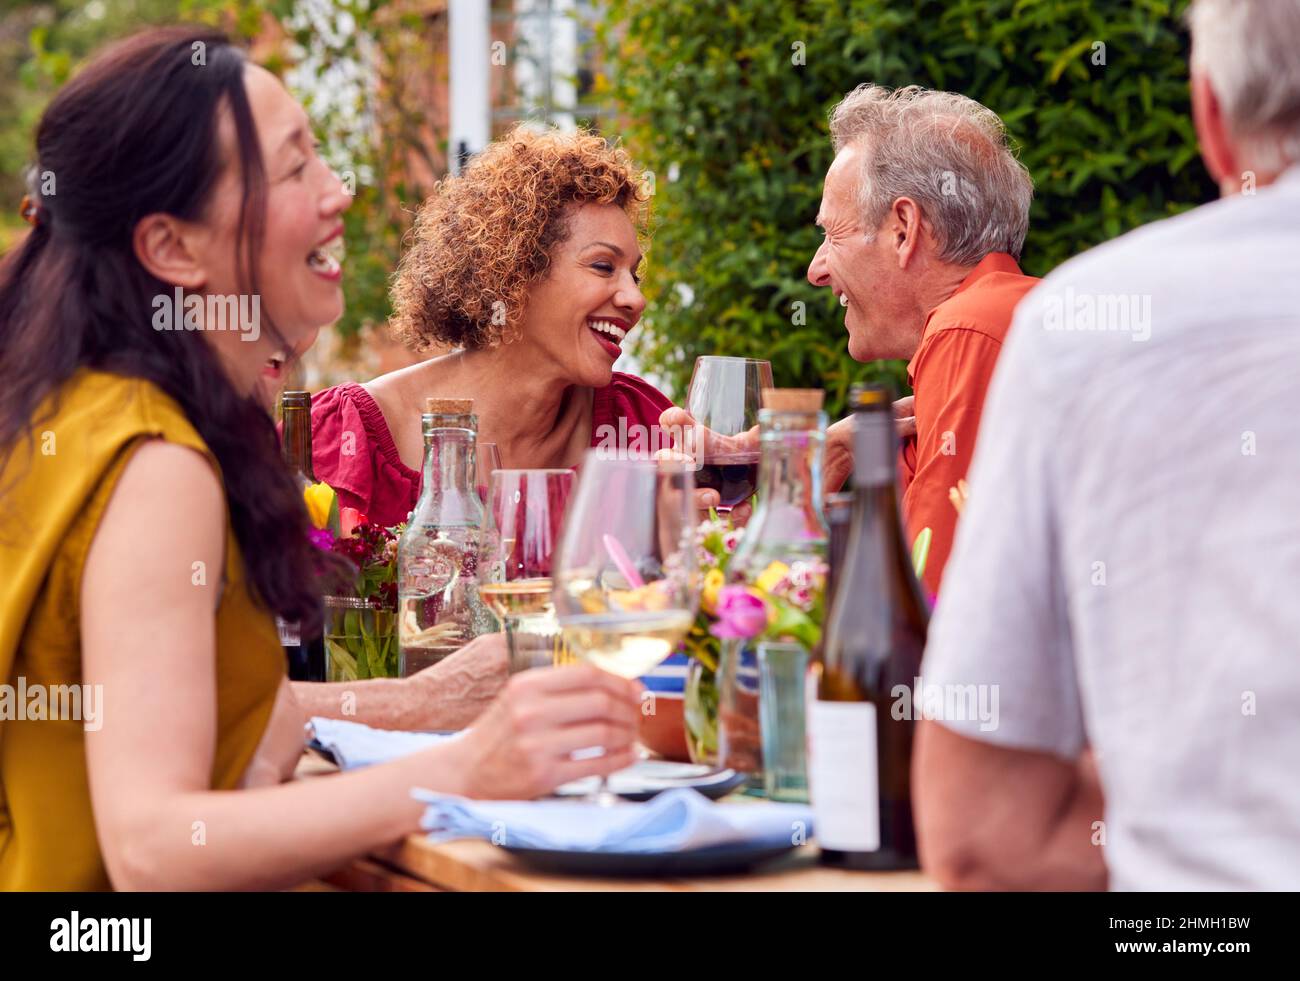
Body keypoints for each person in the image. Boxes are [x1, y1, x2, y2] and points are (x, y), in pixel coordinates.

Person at [0, 27, 641, 891]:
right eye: (295, 169)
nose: (338, 192)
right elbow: (153, 845)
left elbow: (232, 748)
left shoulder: (87, 412)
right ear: (173, 248)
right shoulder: (157, 463)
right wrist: (463, 766)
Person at [916, 0, 1300, 890]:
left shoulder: (1060, 330)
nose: (819, 265)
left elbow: (980, 835)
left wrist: (1185, 782)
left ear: (1210, 117)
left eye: (831, 232)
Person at [663, 84, 1039, 595]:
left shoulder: (967, 331)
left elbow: (921, 620)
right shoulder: (994, 324)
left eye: (831, 233)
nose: (816, 270)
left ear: (904, 229)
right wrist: (822, 457)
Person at [310, 126, 673, 528]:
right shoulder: (344, 441)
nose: (635, 299)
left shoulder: (639, 425)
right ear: (516, 271)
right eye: (603, 266)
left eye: (634, 276)